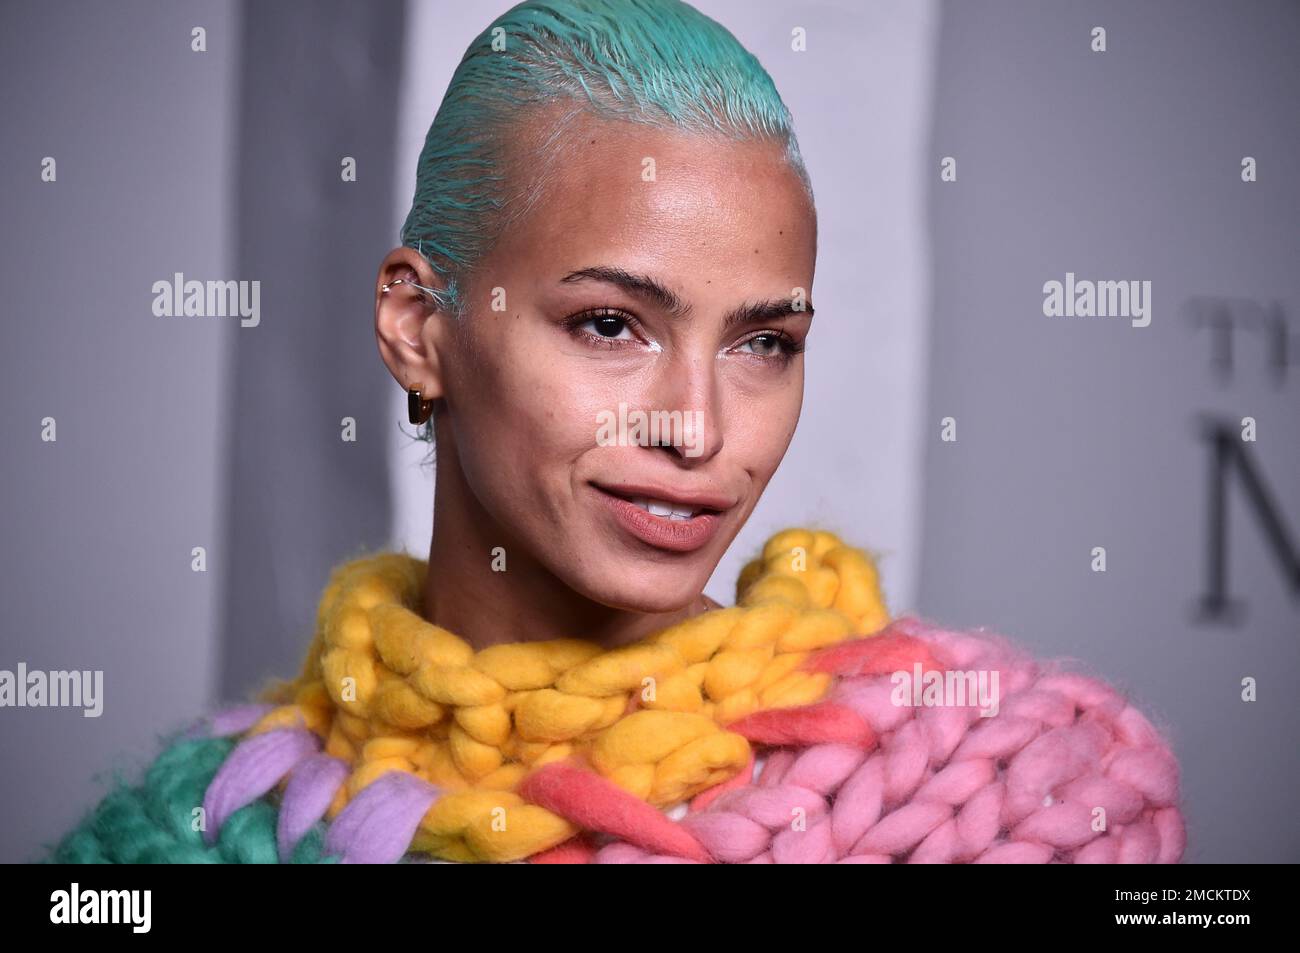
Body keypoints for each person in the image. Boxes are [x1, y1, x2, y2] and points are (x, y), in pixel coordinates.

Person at [46, 0, 1185, 864]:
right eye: (609, 324)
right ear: (415, 326)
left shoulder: (1025, 782)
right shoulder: (181, 835)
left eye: (762, 343)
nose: (698, 429)